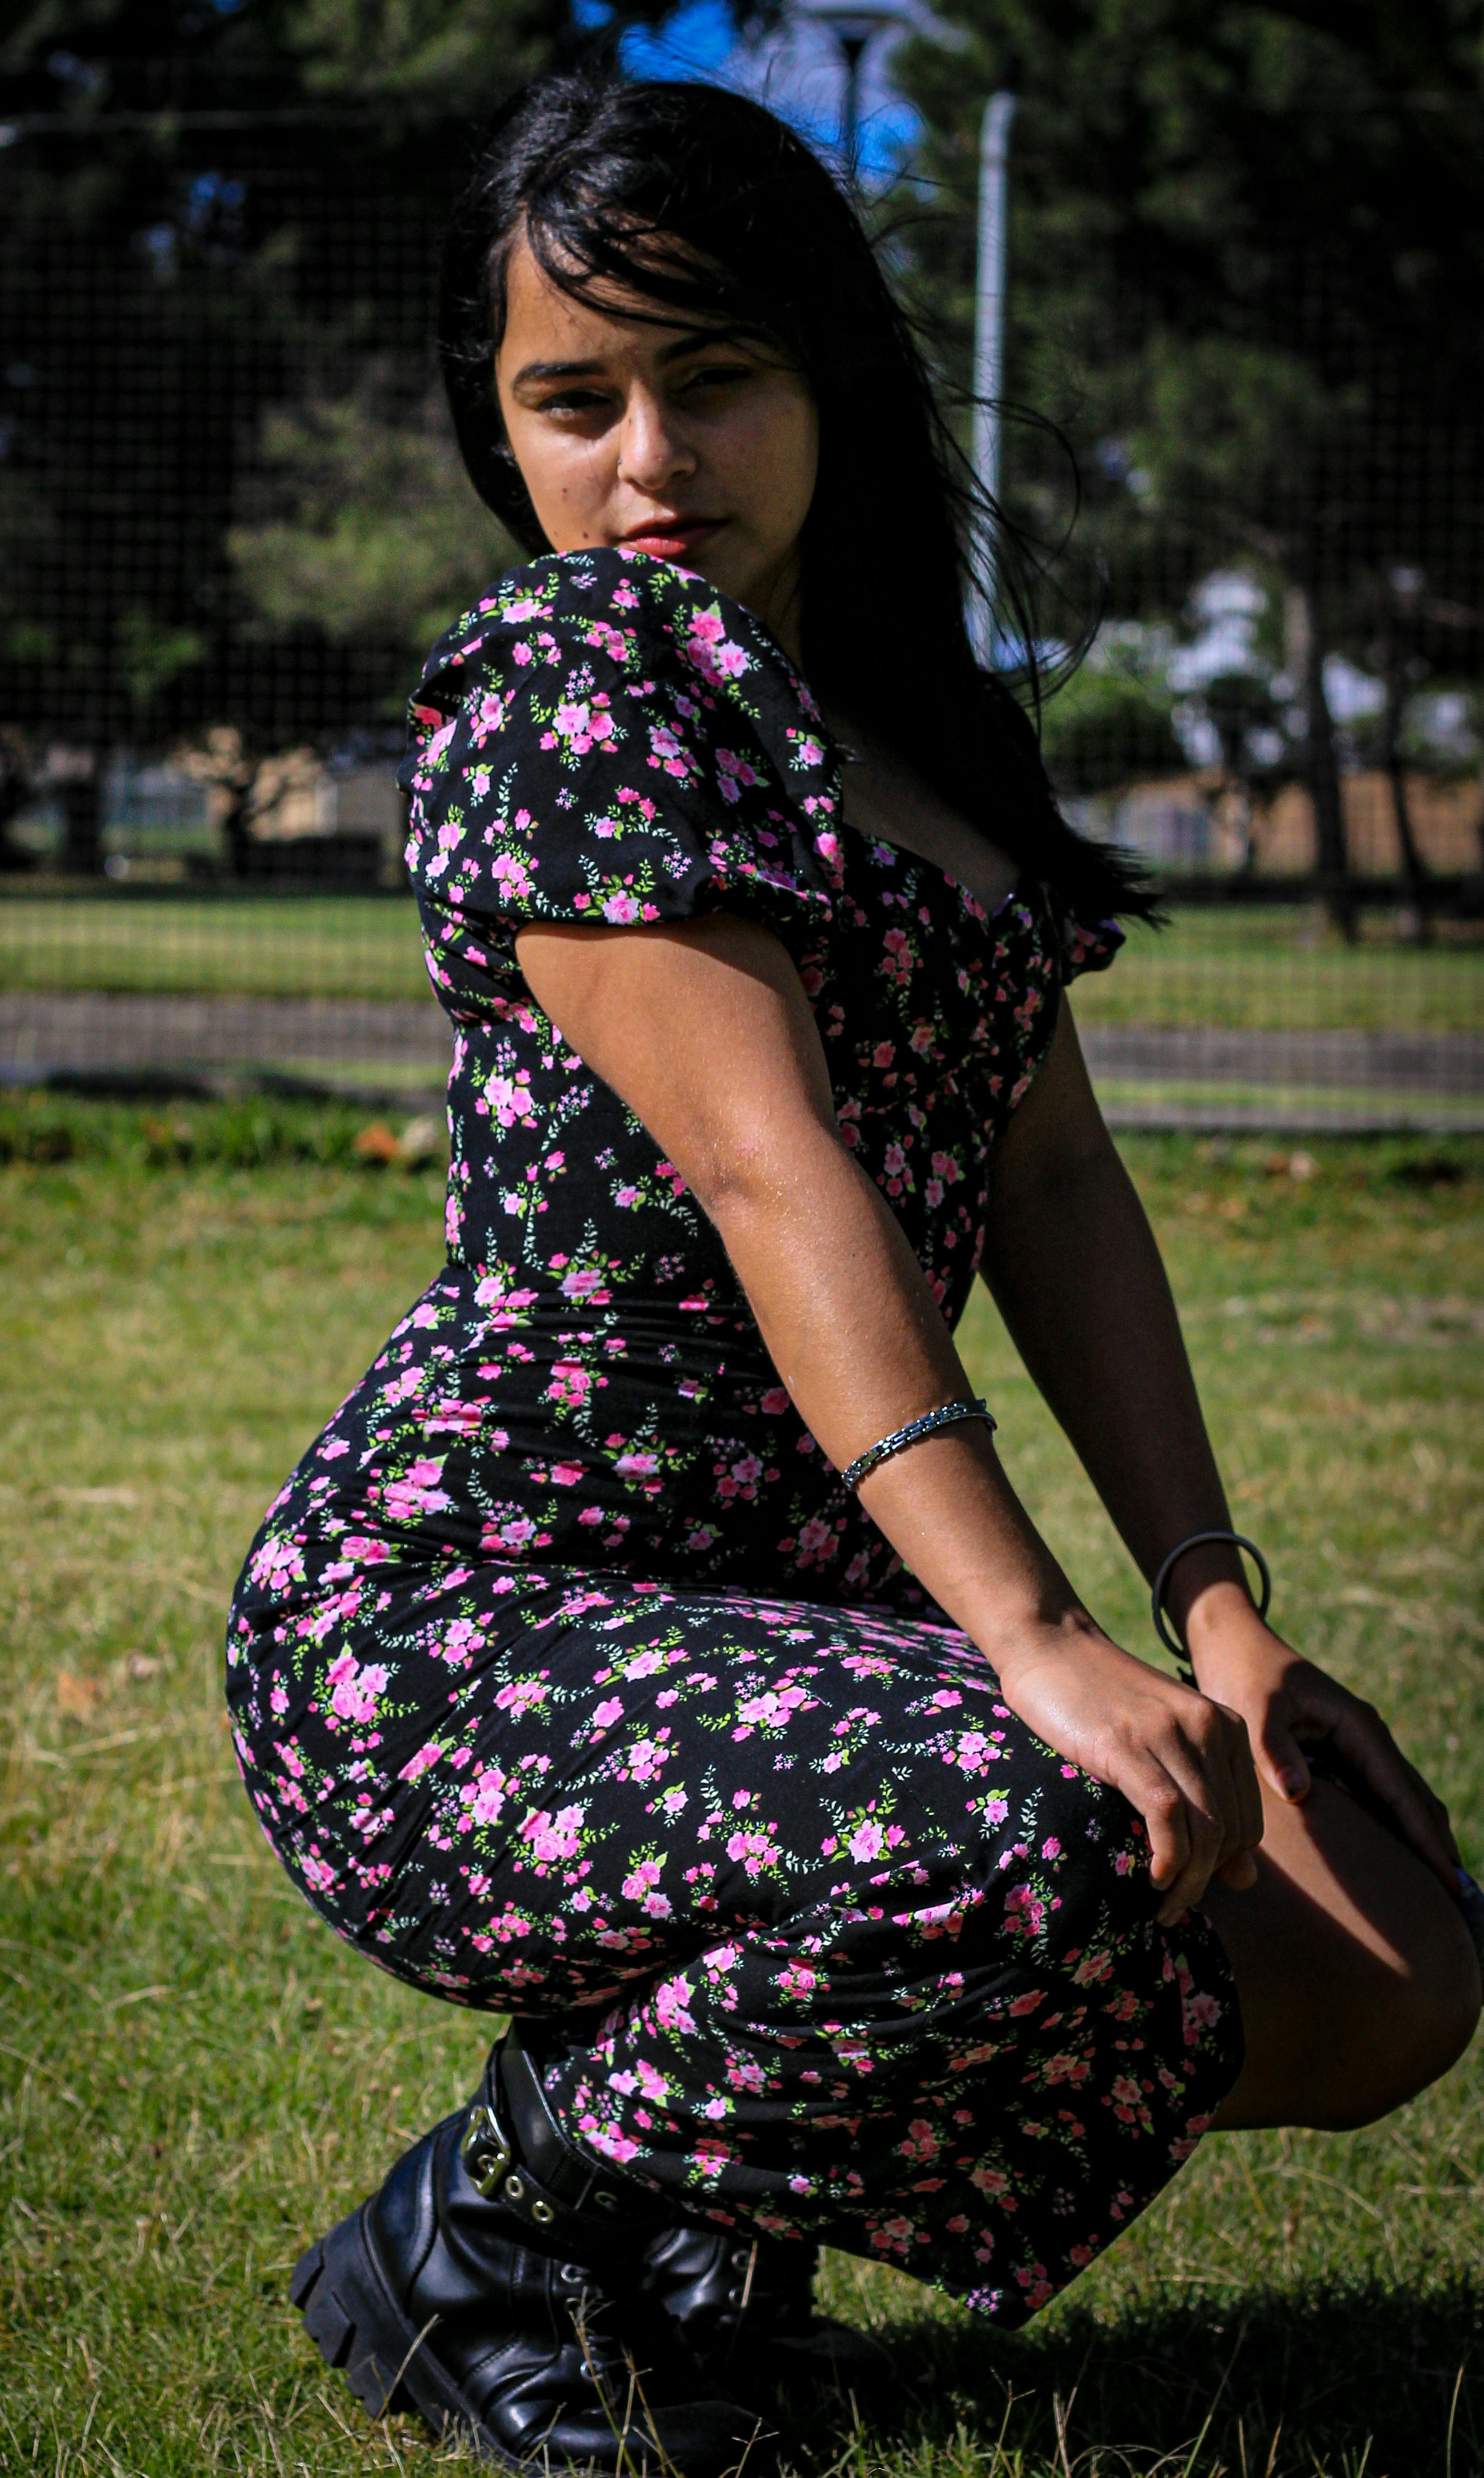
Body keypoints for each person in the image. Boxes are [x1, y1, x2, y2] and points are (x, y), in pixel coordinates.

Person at [226, 72, 1479, 2475]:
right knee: (1046, 1813)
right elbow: (758, 1159)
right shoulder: (578, 676)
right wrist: (1031, 1637)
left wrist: (1211, 1607)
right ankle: (504, 2223)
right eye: (570, 399)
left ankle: (702, 2228)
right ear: (496, 424)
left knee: (1390, 1965)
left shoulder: (924, 722)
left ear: (825, 376)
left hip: (796, 1626)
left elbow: (1055, 1186)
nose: (646, 457)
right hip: (475, 1627)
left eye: (711, 375)